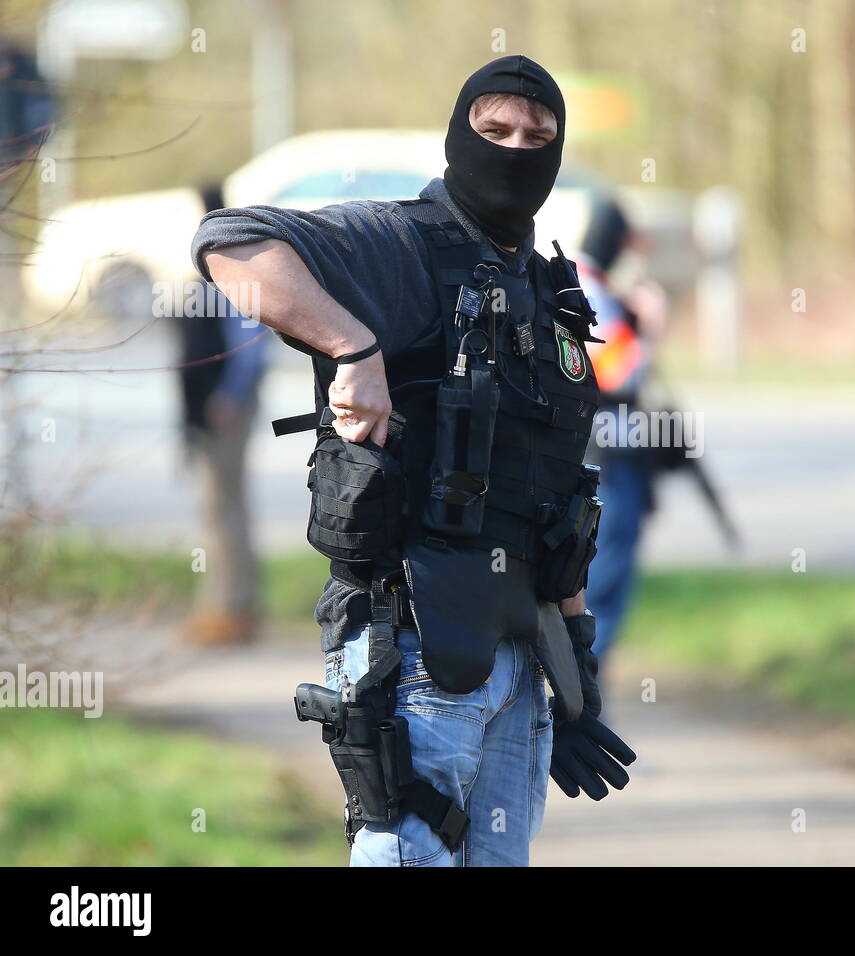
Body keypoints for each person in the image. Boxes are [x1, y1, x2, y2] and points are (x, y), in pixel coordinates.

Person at [192, 56, 634, 867]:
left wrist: (579, 669)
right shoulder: (396, 244)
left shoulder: (550, 295)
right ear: (455, 135)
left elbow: (554, 499)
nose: (516, 149)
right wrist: (353, 348)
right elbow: (229, 246)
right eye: (493, 129)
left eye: (539, 136)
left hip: (521, 662)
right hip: (413, 646)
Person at [179, 185, 270, 647]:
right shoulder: (219, 267)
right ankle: (231, 607)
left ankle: (229, 612)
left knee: (222, 511)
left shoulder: (233, 271)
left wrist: (228, 396)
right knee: (223, 509)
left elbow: (250, 346)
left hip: (224, 407)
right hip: (214, 406)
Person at [575, 197, 661, 660]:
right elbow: (618, 373)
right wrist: (648, 328)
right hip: (606, 452)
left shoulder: (580, 279)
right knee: (604, 581)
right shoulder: (591, 287)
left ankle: (581, 695)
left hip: (597, 447)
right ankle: (585, 701)